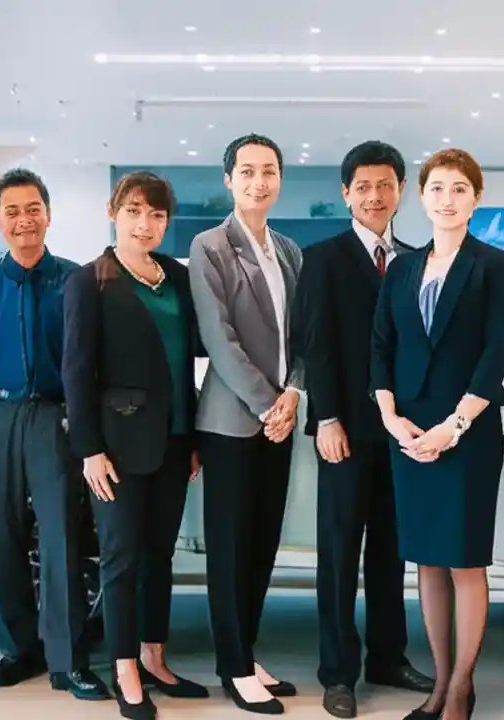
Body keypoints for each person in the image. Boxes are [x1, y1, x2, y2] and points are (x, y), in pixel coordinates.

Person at [369, 148, 504, 720]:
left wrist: (454, 426)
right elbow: (381, 343)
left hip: (467, 430)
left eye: (460, 189)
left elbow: (495, 351)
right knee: (426, 560)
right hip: (408, 430)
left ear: (475, 199)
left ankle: (461, 687)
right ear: (421, 196)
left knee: (464, 561)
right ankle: (437, 682)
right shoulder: (402, 267)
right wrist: (389, 416)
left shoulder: (492, 263)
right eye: (437, 189)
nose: (447, 199)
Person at [0, 168, 108, 701]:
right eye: (12, 211)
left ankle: (68, 659)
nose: (24, 220)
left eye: (33, 208)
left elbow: (88, 361)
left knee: (62, 534)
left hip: (55, 418)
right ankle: (16, 649)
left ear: (48, 213)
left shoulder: (75, 280)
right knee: (2, 533)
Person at [295, 141, 436, 719]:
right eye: (363, 186)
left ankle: (387, 655)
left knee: (390, 551)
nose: (374, 196)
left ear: (400, 190)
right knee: (339, 551)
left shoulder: (414, 260)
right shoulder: (323, 258)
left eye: (385, 185)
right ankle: (338, 672)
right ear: (346, 194)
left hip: (401, 430)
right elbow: (315, 344)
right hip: (345, 429)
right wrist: (325, 417)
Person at [62, 171, 210, 720]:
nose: (144, 224)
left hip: (174, 439)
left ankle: (154, 656)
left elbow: (185, 361)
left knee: (159, 556)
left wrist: (192, 435)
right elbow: (76, 370)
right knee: (121, 558)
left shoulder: (175, 275)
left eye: (155, 215)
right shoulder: (90, 281)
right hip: (116, 446)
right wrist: (89, 448)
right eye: (134, 212)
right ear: (113, 212)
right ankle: (124, 665)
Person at [189, 134, 303, 715]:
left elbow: (301, 337)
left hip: (279, 420)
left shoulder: (288, 250)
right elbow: (219, 339)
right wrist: (268, 403)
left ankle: (246, 651)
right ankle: (232, 667)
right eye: (248, 171)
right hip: (233, 422)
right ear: (229, 179)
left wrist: (294, 393)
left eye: (270, 171)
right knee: (230, 549)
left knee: (262, 545)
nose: (260, 181)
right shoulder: (209, 245)